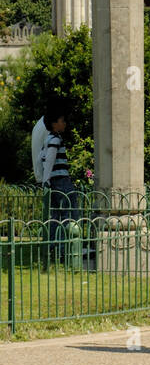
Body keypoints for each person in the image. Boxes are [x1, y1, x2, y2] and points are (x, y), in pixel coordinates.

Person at [33, 101, 79, 260]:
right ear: (54, 124)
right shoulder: (55, 139)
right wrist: (46, 180)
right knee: (70, 214)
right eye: (62, 121)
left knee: (55, 216)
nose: (65, 123)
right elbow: (50, 159)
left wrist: (45, 179)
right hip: (62, 182)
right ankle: (66, 247)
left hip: (54, 182)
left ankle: (51, 246)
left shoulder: (48, 139)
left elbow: (41, 158)